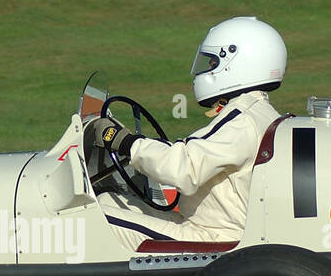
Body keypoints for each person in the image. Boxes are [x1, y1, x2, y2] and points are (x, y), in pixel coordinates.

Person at [88, 16, 288, 250]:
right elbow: (195, 154)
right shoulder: (259, 113)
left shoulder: (241, 120)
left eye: (212, 63)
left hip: (215, 238)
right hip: (213, 225)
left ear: (237, 63)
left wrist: (123, 142)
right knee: (107, 200)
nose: (207, 70)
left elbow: (184, 168)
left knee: (89, 216)